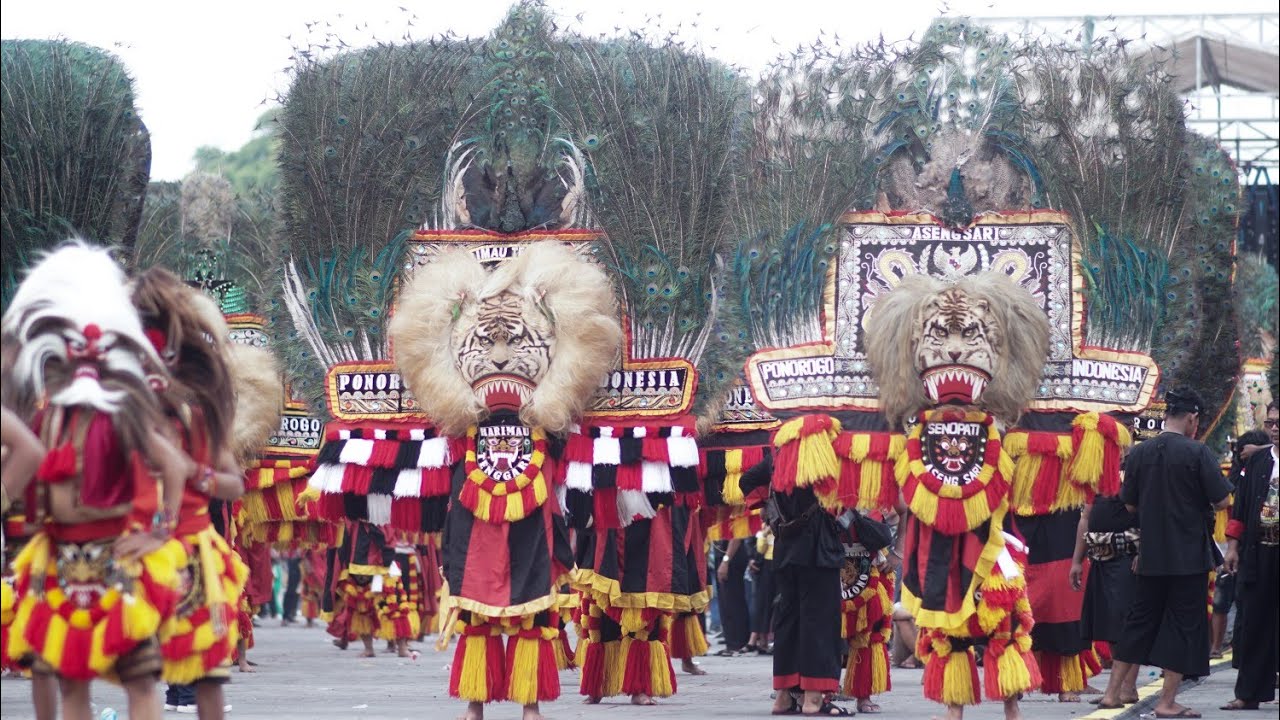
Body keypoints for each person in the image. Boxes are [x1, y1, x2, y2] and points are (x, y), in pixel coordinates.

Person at [134, 270, 249, 720]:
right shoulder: (123, 418)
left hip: (193, 552)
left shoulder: (200, 418)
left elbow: (233, 483)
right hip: (137, 553)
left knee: (208, 681)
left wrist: (193, 473)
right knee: (139, 676)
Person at [1098, 387, 1232, 718]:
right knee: (1183, 626)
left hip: (1150, 555)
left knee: (1138, 622)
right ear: (1191, 419)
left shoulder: (1141, 453)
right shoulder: (1197, 453)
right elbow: (1222, 500)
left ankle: (1112, 694)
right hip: (1187, 557)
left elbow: (1128, 503)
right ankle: (1167, 701)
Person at [740, 454, 852, 717]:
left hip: (785, 550)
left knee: (788, 622)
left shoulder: (778, 455)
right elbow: (845, 500)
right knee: (819, 623)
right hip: (818, 550)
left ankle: (784, 698)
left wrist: (771, 505)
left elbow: (747, 480)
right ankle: (813, 699)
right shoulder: (825, 453)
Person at [1220, 402, 1279, 711]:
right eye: (1271, 423)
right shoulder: (1257, 462)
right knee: (1254, 620)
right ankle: (1248, 693)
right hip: (1259, 552)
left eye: (1279, 423)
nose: (1275, 428)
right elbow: (1240, 507)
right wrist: (1232, 547)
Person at [1071, 494, 1140, 706]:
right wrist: (1077, 561)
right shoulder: (1096, 478)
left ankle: (1124, 688)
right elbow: (1085, 518)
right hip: (1100, 559)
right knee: (1108, 623)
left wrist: (1144, 551)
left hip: (1128, 558)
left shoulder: (1133, 470)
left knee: (1125, 622)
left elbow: (1149, 513)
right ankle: (1122, 689)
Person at [715, 538, 751, 655]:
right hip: (723, 556)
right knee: (725, 603)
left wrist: (726, 561)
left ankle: (738, 643)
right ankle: (731, 643)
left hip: (731, 558)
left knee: (733, 602)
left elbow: (736, 538)